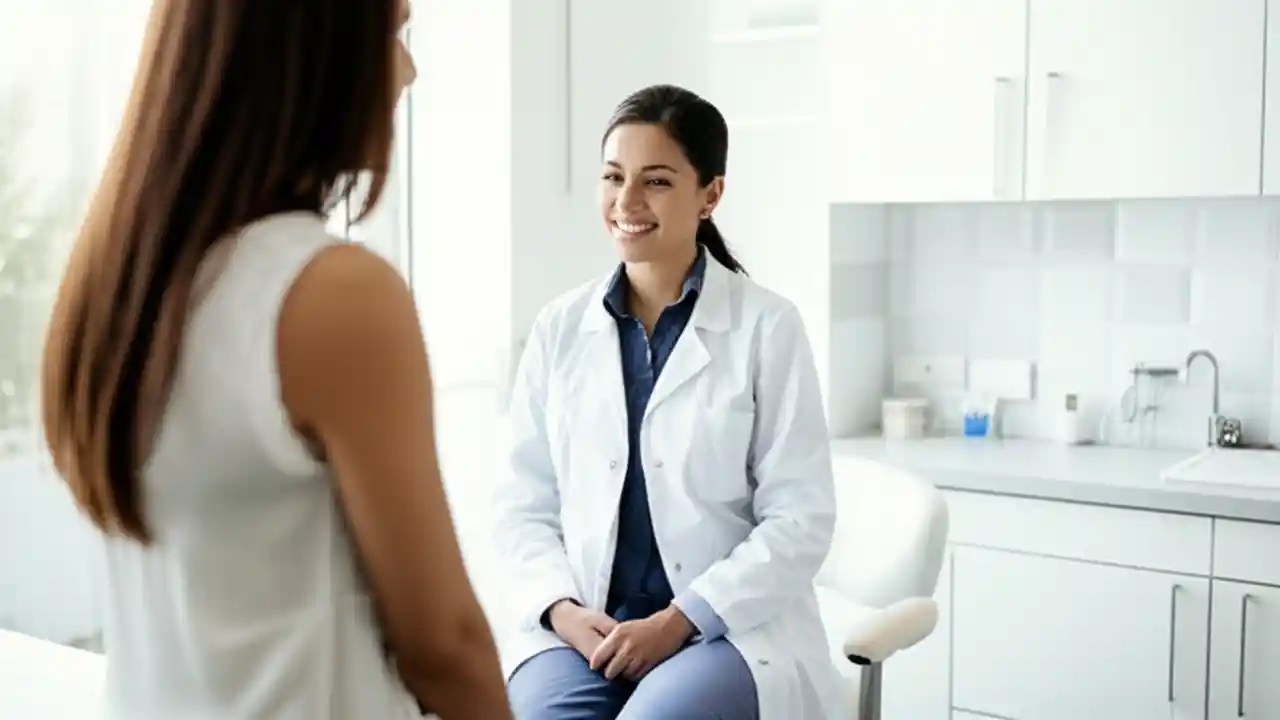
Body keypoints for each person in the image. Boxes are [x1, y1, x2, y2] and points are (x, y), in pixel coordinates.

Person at [39, 1, 511, 718]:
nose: (408, 71)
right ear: (309, 55)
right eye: (392, 35)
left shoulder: (112, 287)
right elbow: (444, 645)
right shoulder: (333, 294)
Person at [494, 84, 844, 719]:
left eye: (655, 181)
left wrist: (680, 619)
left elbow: (800, 518)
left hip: (721, 627)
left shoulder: (767, 327)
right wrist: (562, 611)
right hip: (585, 626)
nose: (626, 202)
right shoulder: (560, 327)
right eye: (613, 177)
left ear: (710, 194)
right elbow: (524, 505)